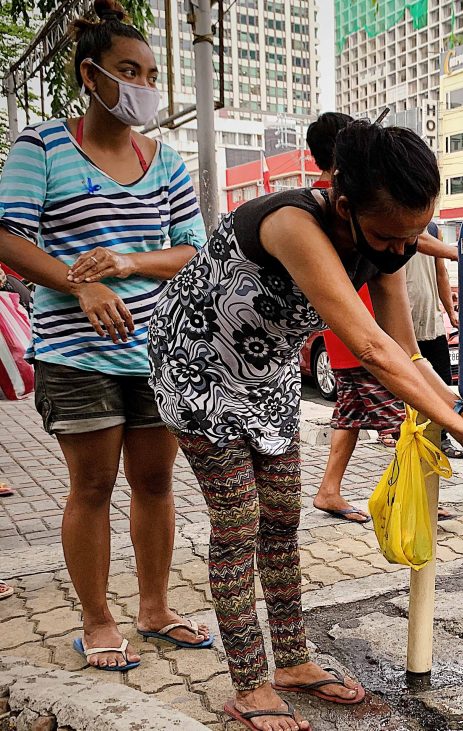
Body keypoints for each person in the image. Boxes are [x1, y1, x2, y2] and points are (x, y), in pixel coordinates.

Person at [148, 120, 463, 731]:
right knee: (237, 526)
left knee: (282, 517)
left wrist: (458, 411)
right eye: (393, 236)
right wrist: (457, 425)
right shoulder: (292, 221)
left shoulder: (383, 242)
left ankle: (292, 662)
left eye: (415, 235)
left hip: (264, 375)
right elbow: (369, 347)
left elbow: (407, 349)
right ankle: (249, 684)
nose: (401, 250)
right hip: (198, 366)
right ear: (344, 205)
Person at [0, 0, 211, 672]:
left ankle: (154, 608)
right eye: (130, 71)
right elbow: (7, 236)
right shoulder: (41, 147)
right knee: (90, 485)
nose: (145, 86)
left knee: (156, 481)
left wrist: (126, 263)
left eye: (150, 73)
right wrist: (77, 282)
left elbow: (191, 251)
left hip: (157, 348)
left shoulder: (168, 161)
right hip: (75, 350)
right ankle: (96, 618)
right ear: (91, 77)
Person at [305, 112, 401, 524]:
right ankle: (408, 493)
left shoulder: (354, 204)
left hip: (349, 336)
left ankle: (329, 490)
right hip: (357, 335)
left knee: (349, 415)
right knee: (404, 415)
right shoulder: (326, 209)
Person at [405, 225, 463, 461]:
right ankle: (407, 436)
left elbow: (441, 272)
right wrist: (459, 253)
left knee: (442, 381)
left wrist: (450, 312)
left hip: (431, 321)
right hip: (404, 323)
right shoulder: (397, 225)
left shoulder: (433, 230)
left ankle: (441, 437)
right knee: (408, 385)